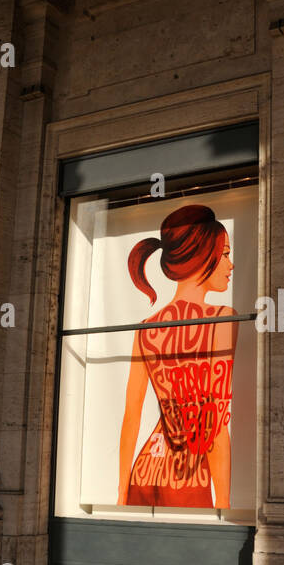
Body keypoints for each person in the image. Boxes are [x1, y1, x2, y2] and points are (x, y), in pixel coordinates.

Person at [118, 204, 236, 508]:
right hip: (189, 478)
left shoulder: (147, 328)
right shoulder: (221, 319)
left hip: (143, 474)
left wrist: (120, 496)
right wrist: (223, 505)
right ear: (202, 255)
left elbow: (131, 415)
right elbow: (216, 425)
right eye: (224, 254)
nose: (230, 265)